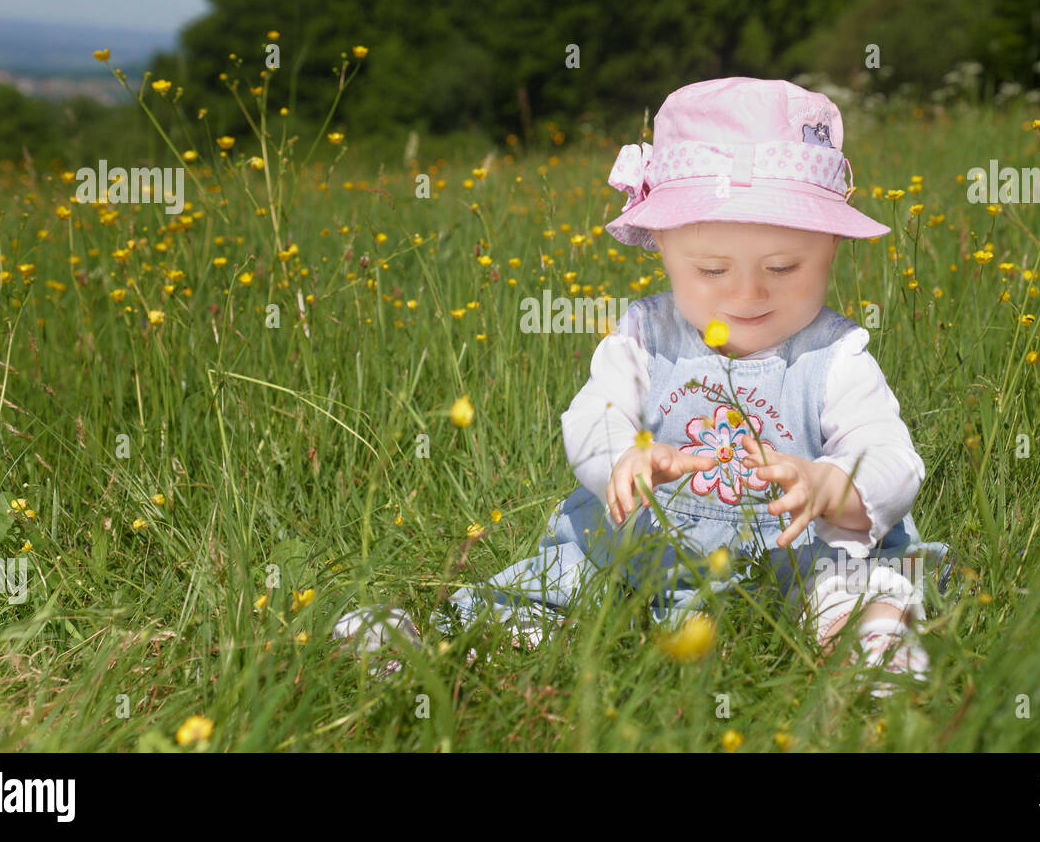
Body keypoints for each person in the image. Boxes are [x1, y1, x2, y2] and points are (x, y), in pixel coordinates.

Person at [335, 77, 952, 696]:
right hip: (645, 547)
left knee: (860, 582)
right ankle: (429, 647)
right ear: (661, 245)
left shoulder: (835, 354)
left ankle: (874, 659)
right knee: (560, 585)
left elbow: (893, 458)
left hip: (794, 556)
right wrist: (621, 459)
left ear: (832, 246)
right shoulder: (643, 334)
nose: (747, 292)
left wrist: (831, 483)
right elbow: (590, 416)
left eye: (784, 267)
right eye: (711, 269)